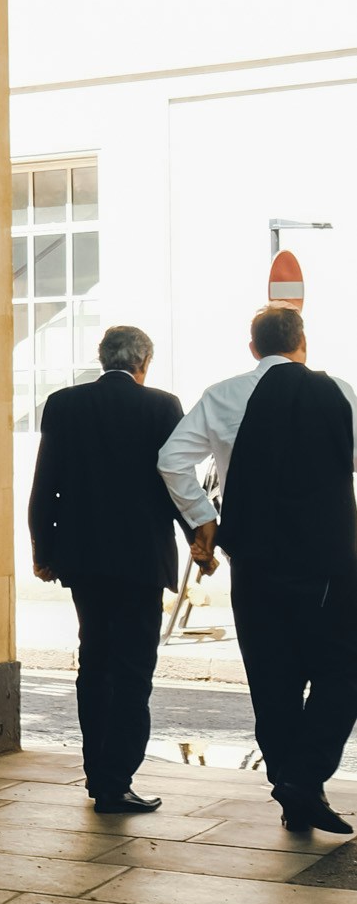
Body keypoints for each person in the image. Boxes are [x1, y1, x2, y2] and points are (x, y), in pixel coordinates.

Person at [158, 303, 357, 835]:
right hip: (329, 563)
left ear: (253, 348)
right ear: (303, 343)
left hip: (256, 564)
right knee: (343, 673)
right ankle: (305, 779)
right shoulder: (339, 392)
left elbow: (172, 458)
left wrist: (205, 520)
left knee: (273, 683)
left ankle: (294, 794)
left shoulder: (223, 394)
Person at [29, 323, 185, 814]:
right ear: (144, 363)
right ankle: (117, 779)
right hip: (141, 562)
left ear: (103, 359)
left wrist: (43, 549)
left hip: (84, 560)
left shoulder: (64, 404)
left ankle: (98, 774)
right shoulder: (163, 406)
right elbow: (174, 481)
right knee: (134, 670)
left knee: (94, 660)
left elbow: (45, 484)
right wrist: (202, 535)